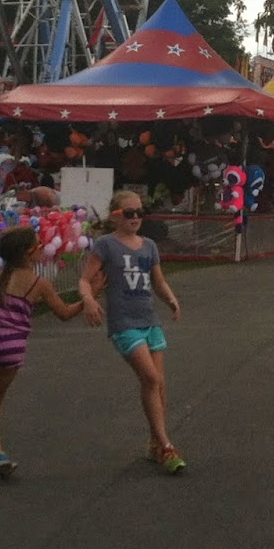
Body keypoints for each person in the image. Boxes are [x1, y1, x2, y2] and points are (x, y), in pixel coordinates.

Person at [0, 224, 84, 478]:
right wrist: (89, 298)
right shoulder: (40, 284)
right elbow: (65, 314)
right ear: (26, 253)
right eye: (39, 245)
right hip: (14, 346)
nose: (43, 248)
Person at [79, 190, 186, 474]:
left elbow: (158, 281)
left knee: (158, 384)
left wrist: (171, 300)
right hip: (124, 323)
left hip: (149, 320)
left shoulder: (149, 245)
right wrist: (89, 300)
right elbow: (84, 281)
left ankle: (154, 444)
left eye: (140, 212)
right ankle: (166, 445)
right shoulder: (105, 245)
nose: (136, 217)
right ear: (116, 216)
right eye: (129, 213)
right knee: (150, 377)